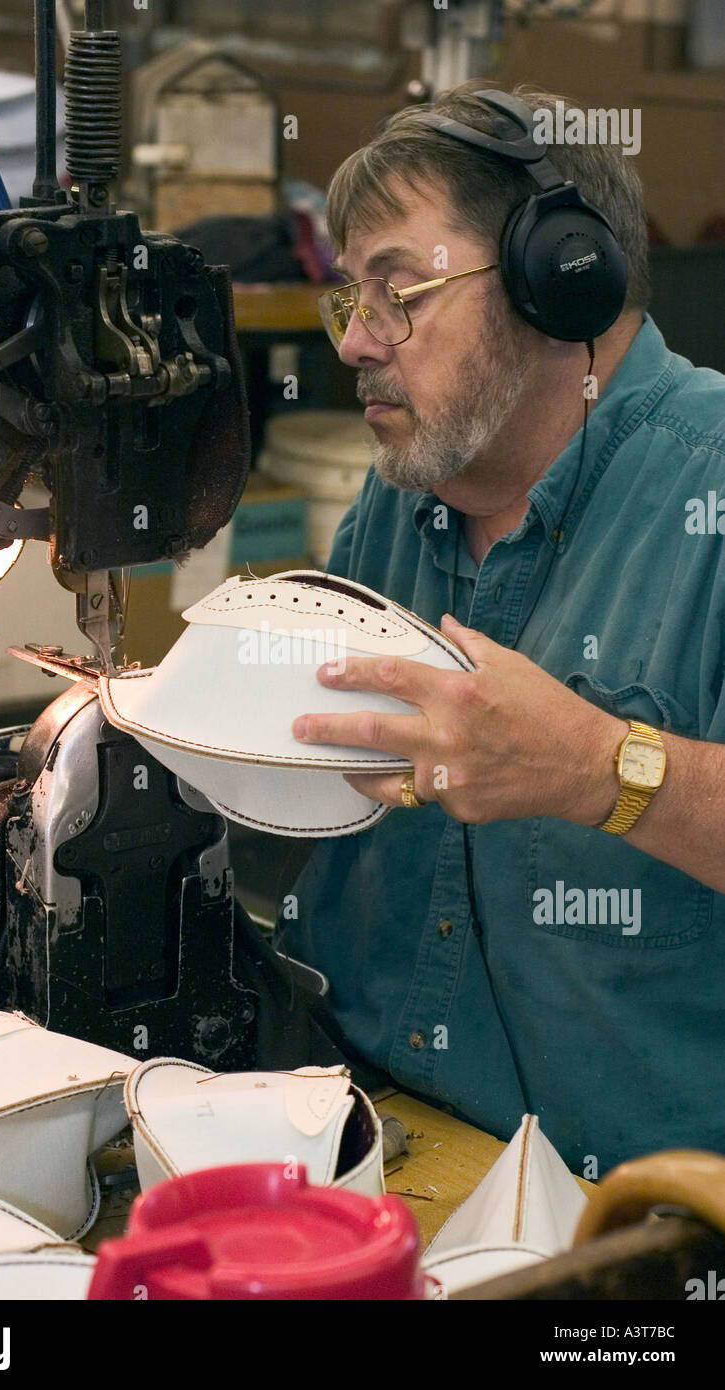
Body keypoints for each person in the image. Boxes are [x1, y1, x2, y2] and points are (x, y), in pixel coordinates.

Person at [276, 84, 725, 1176]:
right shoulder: (397, 500)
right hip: (388, 1151)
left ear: (560, 277)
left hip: (643, 1224)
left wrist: (592, 767)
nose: (355, 344)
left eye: (398, 294)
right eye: (348, 300)